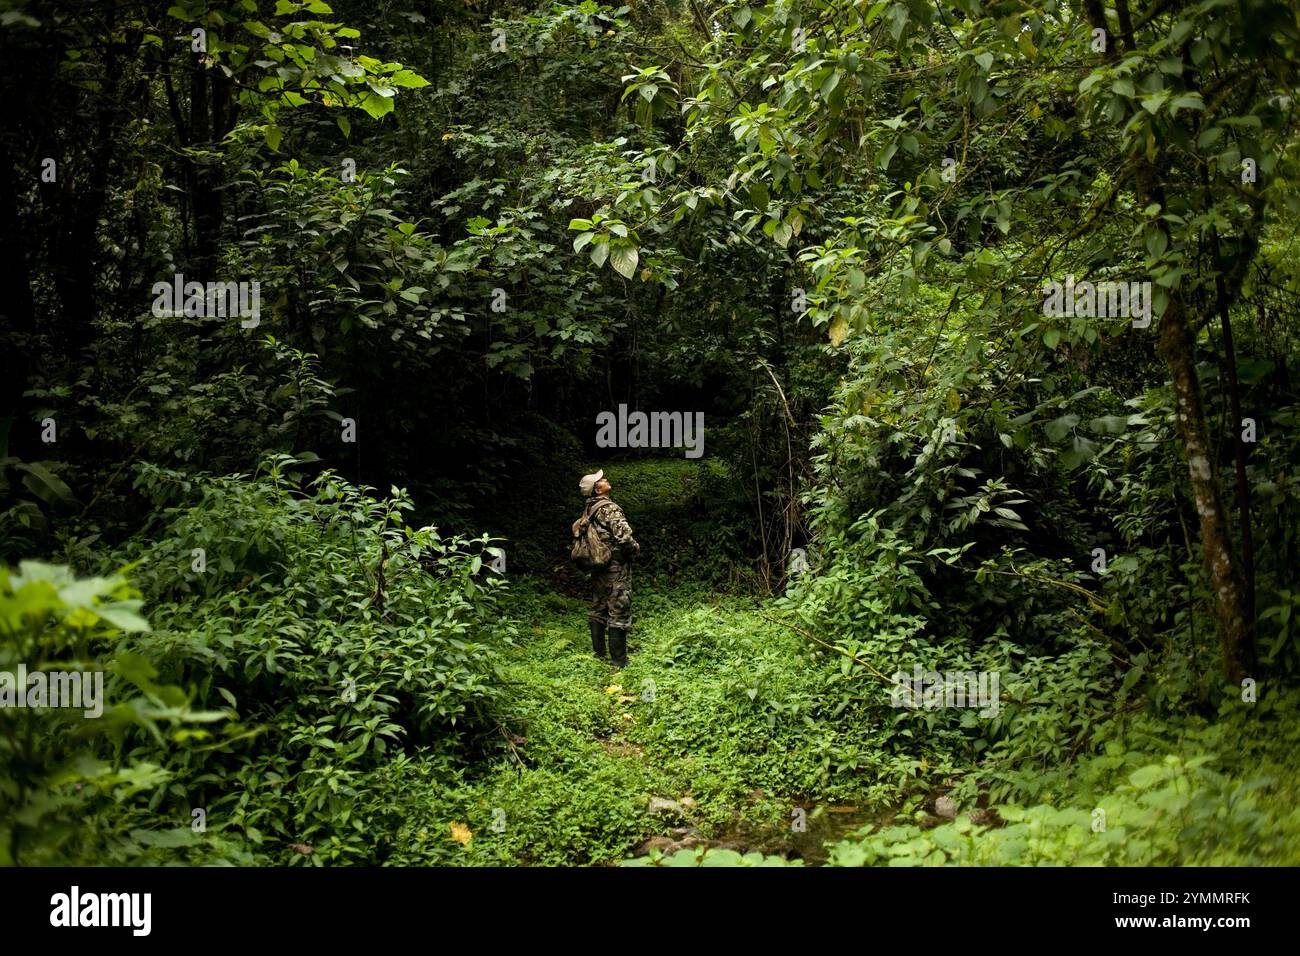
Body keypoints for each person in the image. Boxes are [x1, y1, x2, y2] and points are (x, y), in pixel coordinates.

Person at [576, 470, 640, 667]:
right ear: (598, 489)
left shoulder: (589, 509)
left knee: (599, 606)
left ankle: (599, 654)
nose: (605, 480)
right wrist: (634, 549)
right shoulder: (609, 508)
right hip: (615, 565)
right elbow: (624, 537)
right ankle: (619, 661)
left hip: (598, 565)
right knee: (619, 607)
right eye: (601, 480)